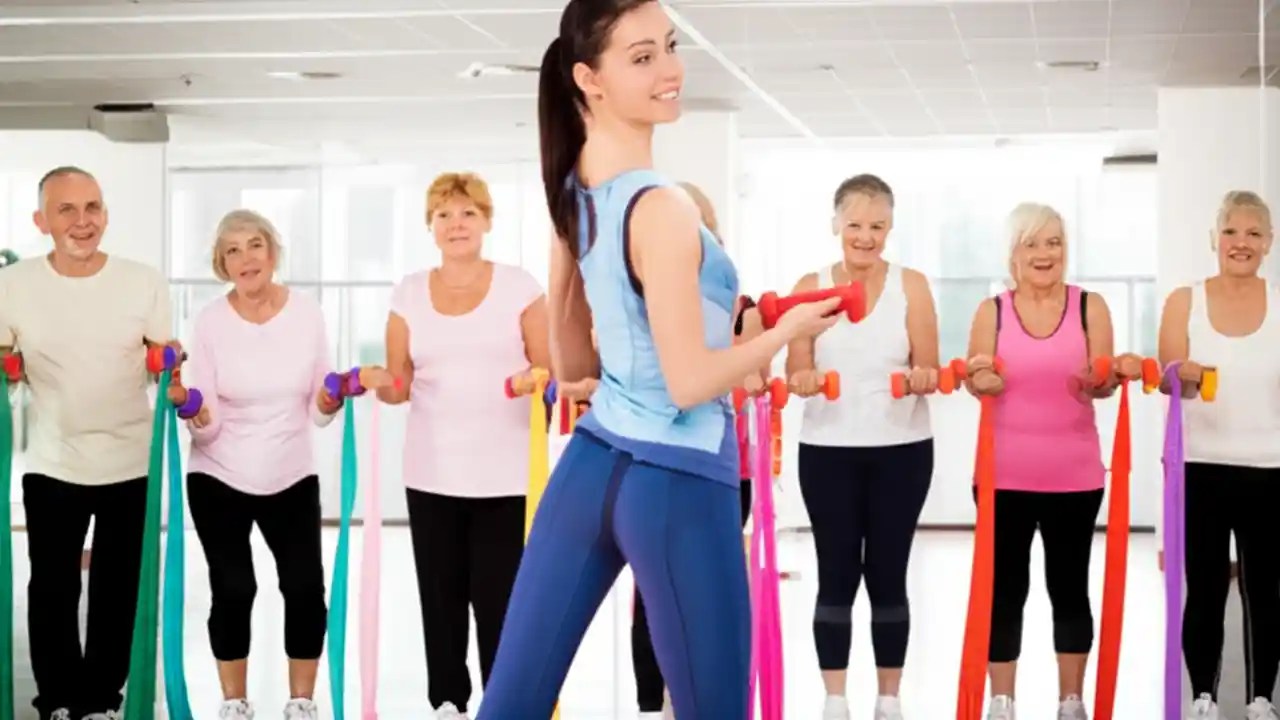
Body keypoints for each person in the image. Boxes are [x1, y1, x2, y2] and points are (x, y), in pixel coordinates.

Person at [474, 2, 839, 717]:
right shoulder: (665, 209)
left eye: (671, 47)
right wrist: (785, 329)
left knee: (511, 702)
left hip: (591, 463)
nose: (671, 70)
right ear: (590, 79)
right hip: (677, 477)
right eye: (642, 57)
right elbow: (690, 381)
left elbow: (571, 355)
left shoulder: (574, 190)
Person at [183, 210, 392, 720]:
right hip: (218, 473)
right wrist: (191, 407)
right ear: (221, 264)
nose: (246, 257)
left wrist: (337, 391)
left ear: (273, 253)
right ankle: (234, 702)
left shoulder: (306, 313)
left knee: (303, 585)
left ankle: (302, 701)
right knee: (234, 587)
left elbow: (317, 410)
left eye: (255, 245)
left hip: (291, 470)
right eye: (232, 250)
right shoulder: (210, 320)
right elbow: (204, 423)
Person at [0, 166, 175, 720]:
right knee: (51, 590)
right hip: (53, 458)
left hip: (130, 458)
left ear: (105, 213)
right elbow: (5, 359)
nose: (83, 221)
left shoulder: (142, 279)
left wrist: (176, 371)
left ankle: (100, 701)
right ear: (41, 221)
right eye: (67, 210)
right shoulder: (13, 285)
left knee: (117, 590)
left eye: (92, 207)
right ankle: (57, 699)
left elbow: (163, 359)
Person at [375, 172, 549, 720]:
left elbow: (551, 368)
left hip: (506, 473)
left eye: (468, 213)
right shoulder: (407, 293)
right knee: (441, 597)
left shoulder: (520, 287)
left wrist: (534, 379)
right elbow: (399, 387)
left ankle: (503, 702)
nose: (456, 224)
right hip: (432, 472)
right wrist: (366, 383)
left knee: (500, 599)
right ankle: (448, 702)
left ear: (487, 222)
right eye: (444, 215)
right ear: (430, 227)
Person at [783, 174, 938, 720]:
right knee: (837, 570)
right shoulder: (813, 284)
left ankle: (889, 699)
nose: (866, 236)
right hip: (828, 449)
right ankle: (834, 698)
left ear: (890, 227)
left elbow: (930, 365)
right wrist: (802, 376)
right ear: (836, 226)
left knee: (889, 572)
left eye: (876, 225)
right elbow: (796, 361)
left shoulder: (912, 286)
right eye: (855, 225)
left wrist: (922, 376)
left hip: (902, 449)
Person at [964, 202, 1117, 720]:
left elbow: (1103, 380)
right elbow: (975, 376)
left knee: (1069, 589)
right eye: (1032, 243)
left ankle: (1071, 701)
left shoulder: (1089, 307)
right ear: (1013, 253)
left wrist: (1101, 381)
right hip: (1002, 477)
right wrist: (982, 379)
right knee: (1005, 591)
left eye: (1053, 242)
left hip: (1075, 477)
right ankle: (1001, 701)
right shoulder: (993, 311)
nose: (1044, 253)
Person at [629, 181, 765, 719]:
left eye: (699, 225)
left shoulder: (741, 307)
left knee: (710, 589)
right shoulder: (640, 305)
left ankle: (700, 700)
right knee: (654, 590)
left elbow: (750, 372)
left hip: (724, 469)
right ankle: (652, 700)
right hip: (655, 461)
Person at [1157, 191, 1280, 720]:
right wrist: (1179, 374)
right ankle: (1203, 694)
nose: (1241, 243)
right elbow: (1167, 375)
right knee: (1204, 585)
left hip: (1271, 468)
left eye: (1254, 234)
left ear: (1269, 244)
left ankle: (1260, 699)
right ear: (1215, 238)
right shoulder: (1184, 301)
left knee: (1265, 589)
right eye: (1232, 231)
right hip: (1201, 466)